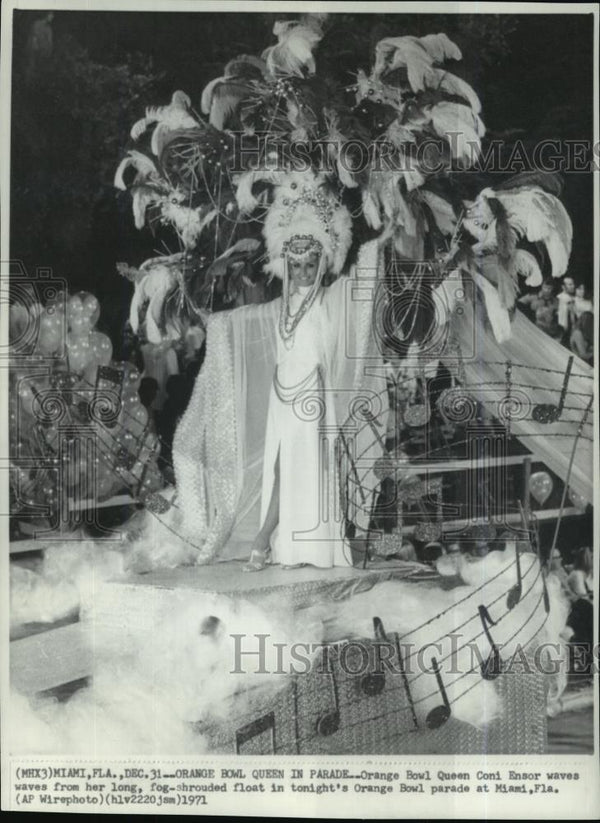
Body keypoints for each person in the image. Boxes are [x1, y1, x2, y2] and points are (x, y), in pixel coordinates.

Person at [172, 170, 387, 569]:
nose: (304, 272)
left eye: (310, 265)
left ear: (323, 263)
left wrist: (379, 241)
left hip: (311, 399)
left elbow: (361, 284)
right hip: (281, 397)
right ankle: (285, 543)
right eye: (297, 265)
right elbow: (245, 319)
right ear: (286, 263)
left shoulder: (329, 299)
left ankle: (263, 539)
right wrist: (216, 322)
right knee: (279, 465)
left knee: (288, 465)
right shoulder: (282, 307)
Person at [556, 274, 576, 340]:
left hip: (560, 329)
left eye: (573, 284)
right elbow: (572, 317)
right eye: (570, 284)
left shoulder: (559, 296)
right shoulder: (568, 299)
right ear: (563, 287)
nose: (573, 286)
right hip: (563, 330)